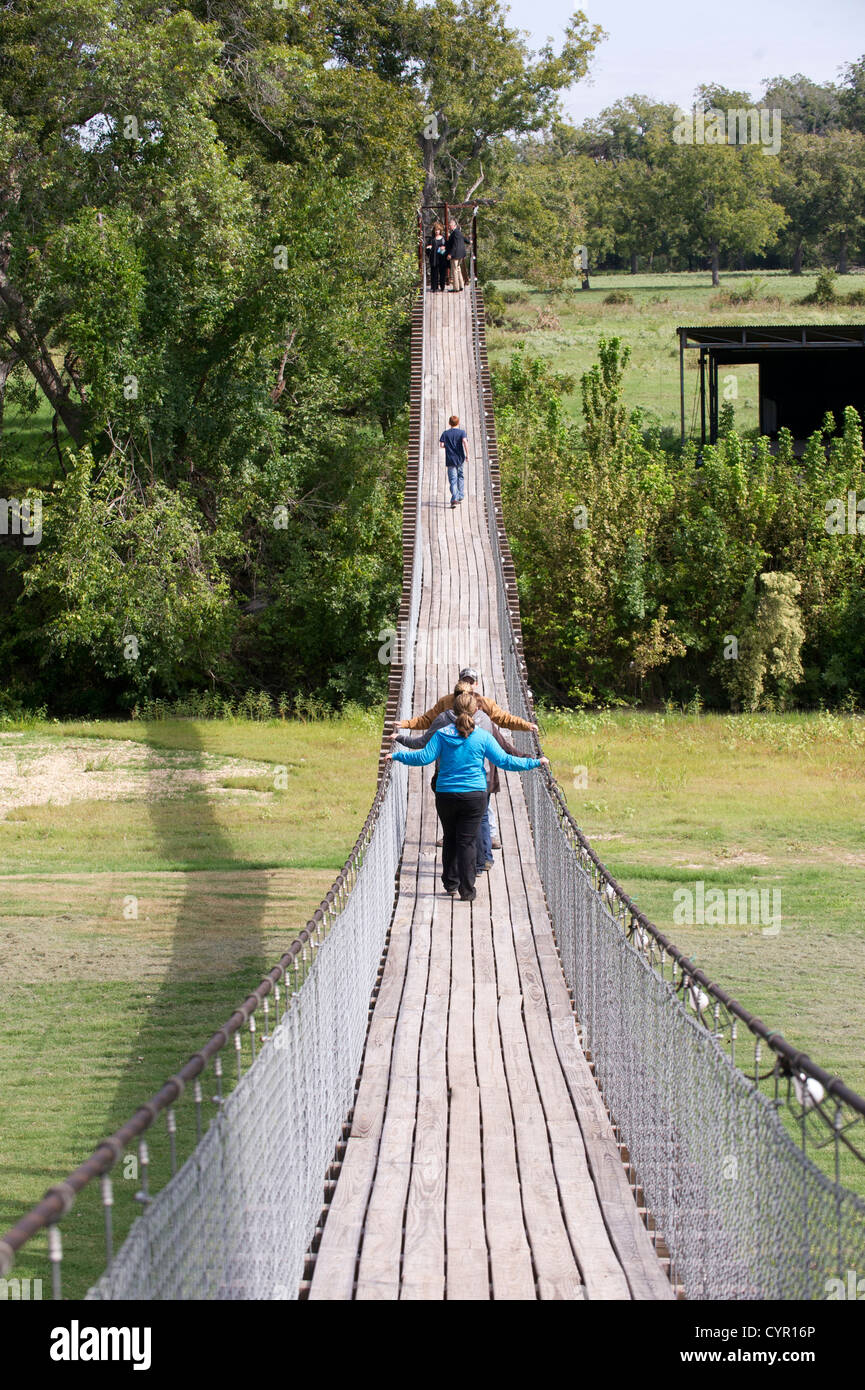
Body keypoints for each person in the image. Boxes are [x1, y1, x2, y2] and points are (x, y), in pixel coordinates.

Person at [388, 691, 548, 901]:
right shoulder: (482, 736)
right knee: (467, 842)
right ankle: (467, 890)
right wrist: (535, 762)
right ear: (476, 711)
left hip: (446, 794)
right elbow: (506, 761)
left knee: (450, 838)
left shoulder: (442, 733)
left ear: (452, 709)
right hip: (474, 796)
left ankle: (450, 883)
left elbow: (423, 756)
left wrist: (397, 755)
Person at [439, 413, 467, 508]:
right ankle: (460, 495)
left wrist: (448, 446)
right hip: (460, 458)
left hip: (450, 459)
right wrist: (467, 455)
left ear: (449, 423)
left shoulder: (445, 433)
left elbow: (441, 445)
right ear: (458, 423)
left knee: (453, 480)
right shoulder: (462, 432)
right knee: (460, 476)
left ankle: (455, 498)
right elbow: (465, 442)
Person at [425, 221, 447, 293]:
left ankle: (442, 287)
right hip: (434, 258)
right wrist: (429, 248)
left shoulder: (443, 239)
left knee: (442, 273)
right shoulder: (431, 239)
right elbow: (427, 249)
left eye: (438, 230)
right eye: (435, 230)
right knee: (434, 273)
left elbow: (447, 247)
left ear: (440, 231)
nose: (437, 232)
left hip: (442, 258)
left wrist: (444, 248)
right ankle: (434, 287)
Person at [446, 218, 466, 291]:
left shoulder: (455, 233)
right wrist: (468, 241)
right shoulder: (458, 232)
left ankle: (456, 288)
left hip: (456, 255)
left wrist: (450, 254)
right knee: (458, 269)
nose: (449, 227)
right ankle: (461, 285)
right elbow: (463, 238)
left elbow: (455, 245)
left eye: (450, 225)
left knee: (454, 270)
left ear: (454, 225)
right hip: (460, 254)